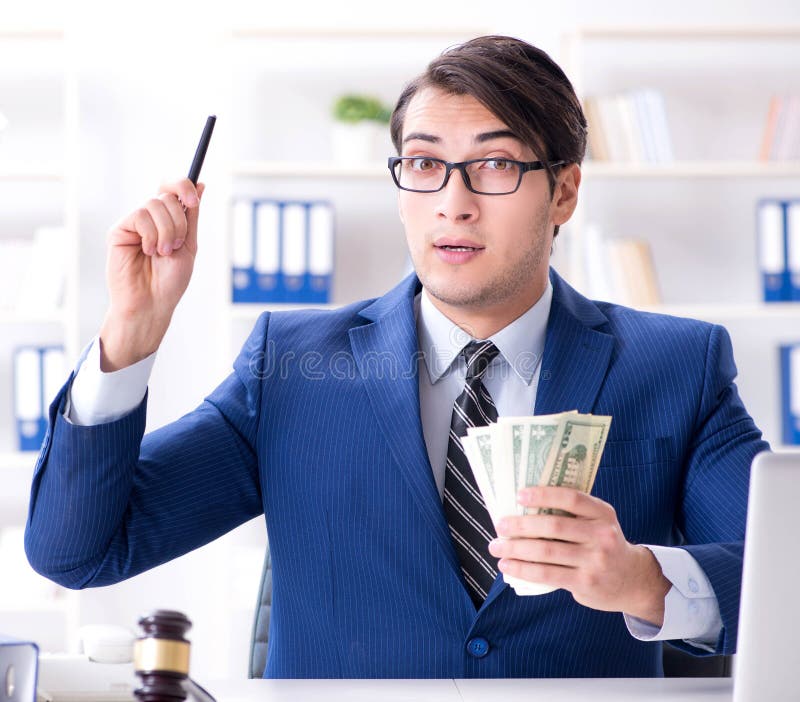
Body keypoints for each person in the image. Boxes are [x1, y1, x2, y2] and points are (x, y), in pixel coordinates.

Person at [25, 35, 768, 678]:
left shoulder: (677, 366)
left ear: (565, 191)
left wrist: (646, 581)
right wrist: (129, 338)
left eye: (496, 165)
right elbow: (79, 551)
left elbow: (782, 585)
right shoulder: (289, 366)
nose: (454, 202)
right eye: (424, 164)